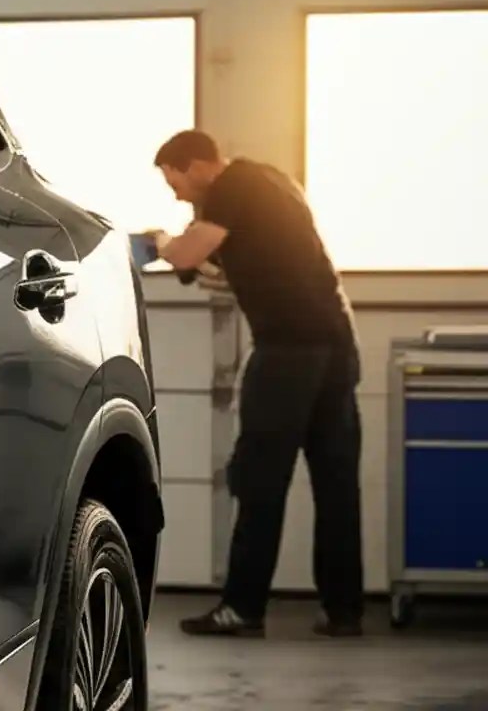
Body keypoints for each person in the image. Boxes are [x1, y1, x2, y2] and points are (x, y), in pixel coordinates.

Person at [146, 130, 365, 638]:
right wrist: (196, 258)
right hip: (335, 344)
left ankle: (242, 608)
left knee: (259, 478)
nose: (177, 195)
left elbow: (185, 256)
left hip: (288, 351)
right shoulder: (272, 183)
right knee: (336, 483)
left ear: (195, 165)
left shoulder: (231, 186)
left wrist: (158, 241)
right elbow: (237, 268)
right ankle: (344, 611)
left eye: (174, 182)